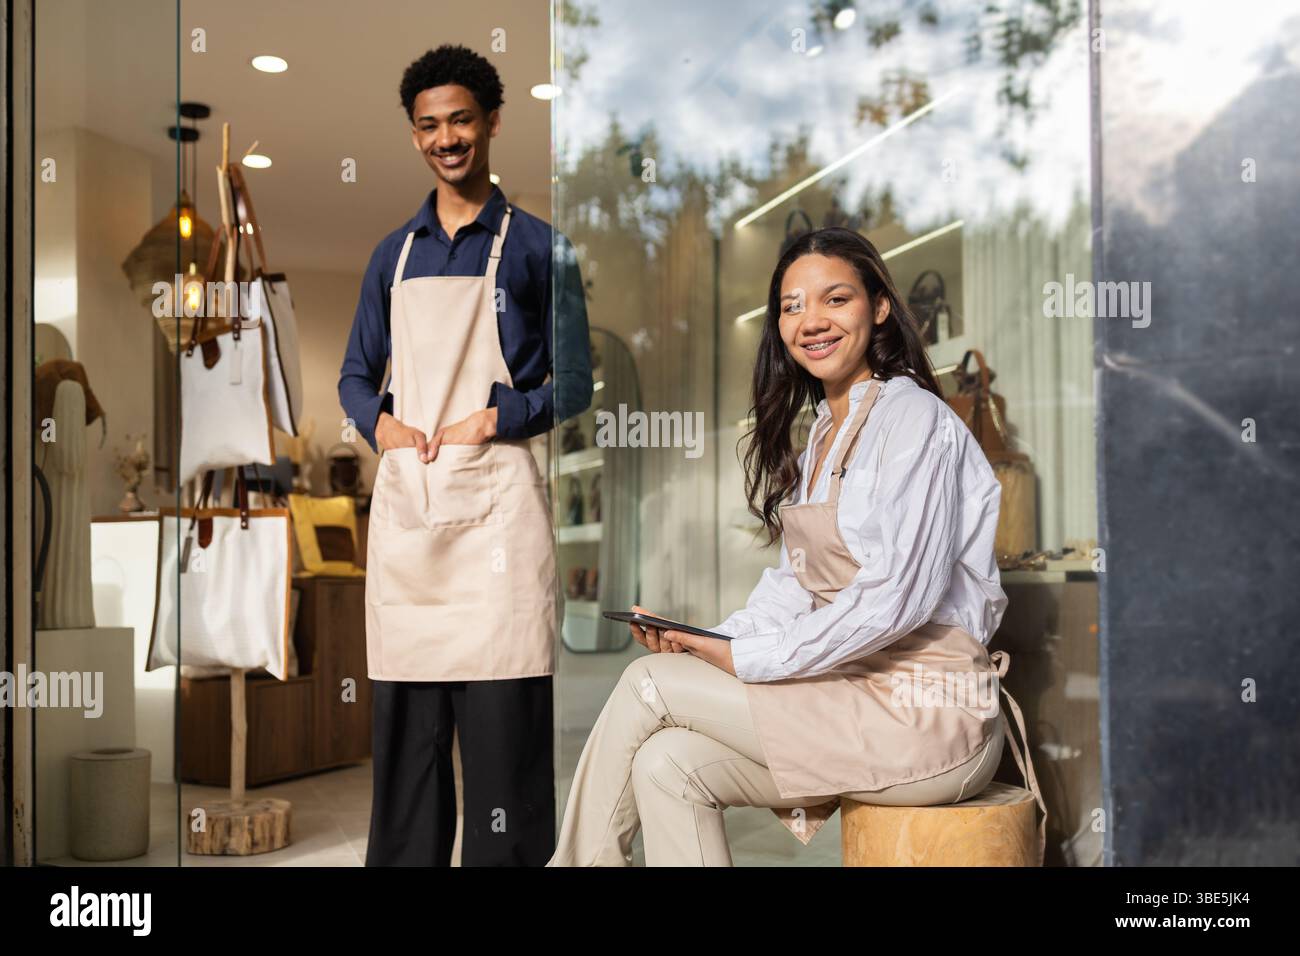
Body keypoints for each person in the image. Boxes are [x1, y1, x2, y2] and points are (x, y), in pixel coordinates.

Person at [548, 227, 1044, 866]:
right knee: (668, 761)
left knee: (648, 685)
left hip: (931, 715)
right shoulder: (822, 438)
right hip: (852, 693)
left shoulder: (915, 419)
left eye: (835, 299)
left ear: (880, 307)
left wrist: (745, 657)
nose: (811, 320)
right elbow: (791, 587)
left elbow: (899, 600)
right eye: (791, 306)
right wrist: (705, 641)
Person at [339, 44, 592, 866]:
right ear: (414, 135)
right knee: (407, 762)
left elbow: (578, 382)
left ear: (491, 124)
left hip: (498, 522)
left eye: (460, 121)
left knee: (504, 761)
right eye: (429, 126)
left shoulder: (540, 249)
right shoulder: (391, 254)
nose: (446, 138)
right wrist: (380, 427)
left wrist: (500, 417)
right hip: (413, 520)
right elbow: (354, 376)